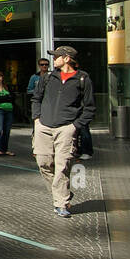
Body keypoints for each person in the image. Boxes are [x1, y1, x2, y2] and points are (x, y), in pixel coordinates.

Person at [31, 46, 96, 218]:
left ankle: (60, 203)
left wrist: (75, 126)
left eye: (57, 56)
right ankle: (62, 193)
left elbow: (89, 108)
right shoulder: (47, 78)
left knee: (62, 165)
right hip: (43, 126)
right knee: (43, 162)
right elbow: (36, 98)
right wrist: (37, 119)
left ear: (67, 59)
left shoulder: (83, 79)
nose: (54, 59)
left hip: (66, 128)